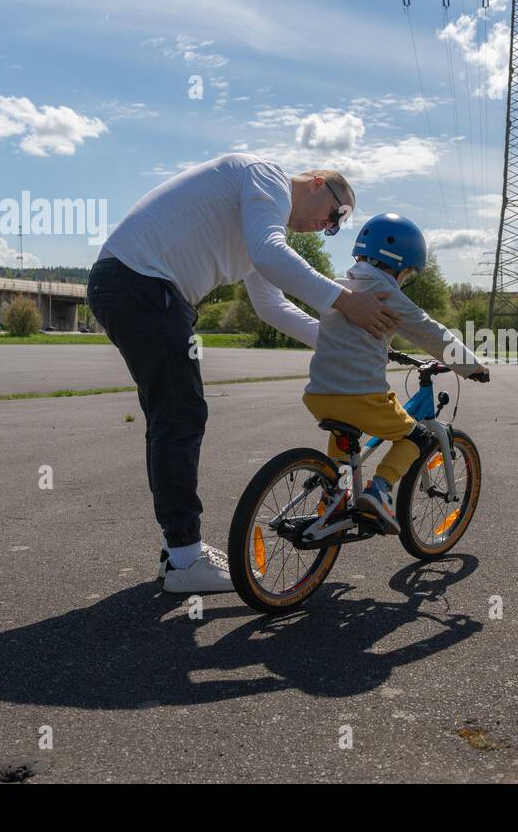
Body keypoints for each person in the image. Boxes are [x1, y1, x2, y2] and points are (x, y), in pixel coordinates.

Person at [86, 154, 400, 594]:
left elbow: (272, 307)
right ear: (315, 183)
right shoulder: (266, 177)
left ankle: (178, 553)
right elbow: (271, 253)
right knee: (180, 416)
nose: (329, 227)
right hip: (141, 282)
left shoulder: (260, 225)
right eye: (335, 214)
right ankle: (184, 560)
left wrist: (341, 343)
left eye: (337, 226)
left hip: (135, 285)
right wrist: (346, 301)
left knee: (173, 415)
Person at [302, 213, 489, 535]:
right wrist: (471, 366)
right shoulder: (387, 293)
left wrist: (385, 350)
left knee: (344, 443)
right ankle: (380, 490)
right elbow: (431, 333)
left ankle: (334, 498)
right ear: (404, 267)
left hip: (317, 395)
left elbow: (348, 335)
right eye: (408, 276)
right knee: (420, 436)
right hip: (359, 397)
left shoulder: (338, 286)